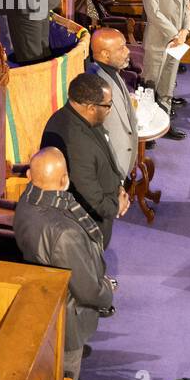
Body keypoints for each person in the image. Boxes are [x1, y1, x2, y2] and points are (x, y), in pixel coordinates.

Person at [12, 146, 114, 380]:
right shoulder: (65, 234)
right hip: (67, 320)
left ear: (29, 176)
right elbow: (87, 289)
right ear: (65, 180)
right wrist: (107, 291)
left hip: (40, 293)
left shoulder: (27, 201)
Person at [39, 72, 128, 248]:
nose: (110, 110)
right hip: (87, 226)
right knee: (90, 268)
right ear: (91, 108)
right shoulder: (76, 144)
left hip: (102, 208)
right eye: (108, 105)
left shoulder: (77, 117)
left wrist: (119, 186)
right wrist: (117, 207)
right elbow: (90, 198)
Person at [142, 0, 190, 138]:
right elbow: (153, 11)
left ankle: (165, 124)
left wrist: (185, 29)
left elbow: (186, 2)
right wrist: (175, 33)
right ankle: (148, 128)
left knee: (168, 84)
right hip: (159, 39)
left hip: (177, 40)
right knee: (151, 85)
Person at [88, 27, 138, 181]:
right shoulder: (94, 84)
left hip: (121, 162)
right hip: (109, 169)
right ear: (105, 54)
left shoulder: (111, 71)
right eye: (121, 48)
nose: (127, 51)